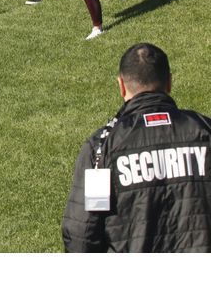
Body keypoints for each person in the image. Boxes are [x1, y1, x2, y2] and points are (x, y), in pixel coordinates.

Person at [62, 43, 211, 252]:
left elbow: (81, 234)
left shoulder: (101, 146)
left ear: (121, 85)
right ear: (169, 81)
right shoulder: (205, 129)